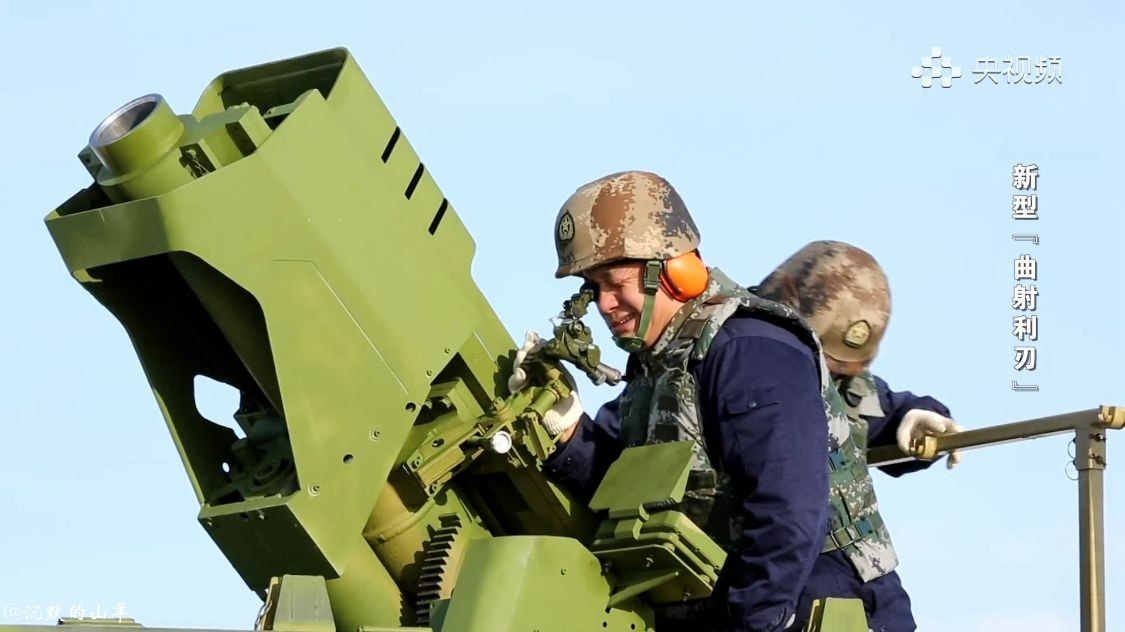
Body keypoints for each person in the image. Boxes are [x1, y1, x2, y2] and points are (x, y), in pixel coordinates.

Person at [508, 170, 891, 631]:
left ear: (674, 270)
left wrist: (750, 623)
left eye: (615, 283)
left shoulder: (749, 351)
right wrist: (568, 432)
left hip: (815, 602)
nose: (605, 305)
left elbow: (787, 516)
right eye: (594, 289)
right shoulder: (659, 366)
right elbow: (637, 499)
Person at [753, 239, 965, 630]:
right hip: (786, 590)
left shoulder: (840, 383)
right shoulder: (735, 364)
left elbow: (881, 406)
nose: (830, 375)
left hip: (870, 592)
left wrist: (921, 416)